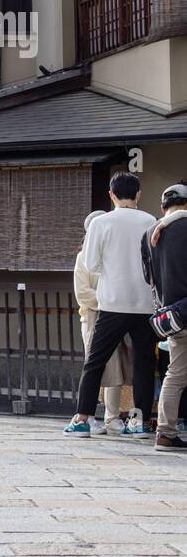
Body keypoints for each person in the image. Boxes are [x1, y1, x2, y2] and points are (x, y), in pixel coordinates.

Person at [66, 172, 158, 438]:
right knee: (143, 363)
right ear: (138, 194)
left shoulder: (102, 223)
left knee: (95, 361)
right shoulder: (150, 221)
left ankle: (82, 419)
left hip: (112, 303)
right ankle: (139, 421)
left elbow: (92, 263)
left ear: (111, 194)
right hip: (144, 303)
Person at [74, 211, 134, 434]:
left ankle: (112, 417)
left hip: (114, 315)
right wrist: (110, 300)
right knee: (96, 366)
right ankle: (86, 416)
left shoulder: (113, 256)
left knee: (117, 368)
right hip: (93, 317)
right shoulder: (82, 257)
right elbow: (82, 293)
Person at [147, 184, 187, 451]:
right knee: (177, 375)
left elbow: (148, 278)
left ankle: (165, 432)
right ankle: (166, 432)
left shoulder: (150, 234)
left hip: (172, 316)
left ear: (163, 208)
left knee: (175, 374)